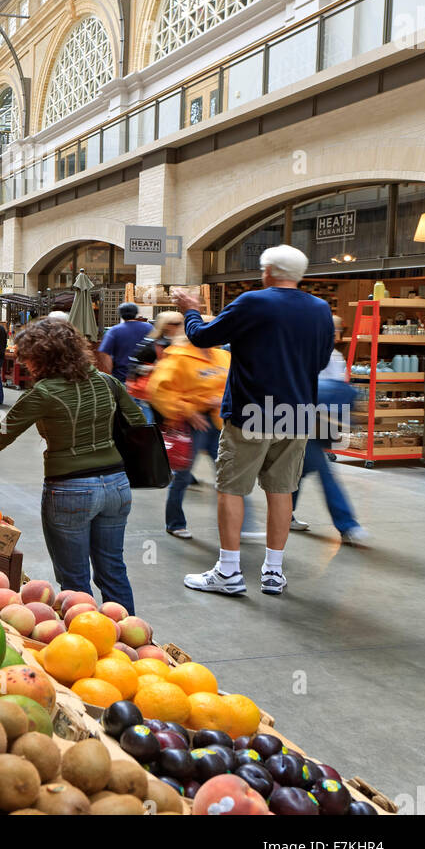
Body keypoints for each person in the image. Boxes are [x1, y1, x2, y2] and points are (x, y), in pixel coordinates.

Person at [0, 318, 144, 612]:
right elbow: (139, 425)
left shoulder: (44, 393)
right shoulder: (108, 383)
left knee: (74, 581)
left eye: (28, 356)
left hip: (69, 490)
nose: (25, 363)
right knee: (113, 571)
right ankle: (130, 641)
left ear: (41, 356)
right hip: (116, 487)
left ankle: (88, 642)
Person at [174, 244, 333, 597]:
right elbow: (320, 362)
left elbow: (201, 336)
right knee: (281, 490)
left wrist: (192, 310)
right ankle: (273, 572)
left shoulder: (253, 302)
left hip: (252, 411)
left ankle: (228, 571)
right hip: (297, 413)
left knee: (231, 488)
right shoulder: (320, 309)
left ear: (268, 271)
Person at [146, 329, 230, 539]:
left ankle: (237, 524)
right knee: (182, 477)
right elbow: (159, 390)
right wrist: (188, 410)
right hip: (190, 424)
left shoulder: (222, 356)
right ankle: (175, 523)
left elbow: (231, 384)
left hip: (217, 421)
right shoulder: (178, 357)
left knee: (229, 475)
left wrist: (220, 400)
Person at [292, 315, 368, 545]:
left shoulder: (334, 356)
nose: (336, 333)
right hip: (301, 424)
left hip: (317, 424)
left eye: (338, 329)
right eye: (333, 329)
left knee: (298, 474)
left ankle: (285, 515)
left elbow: (340, 395)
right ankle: (347, 525)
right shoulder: (305, 353)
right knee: (324, 474)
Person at [98, 303, 152, 382]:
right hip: (145, 377)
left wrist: (110, 371)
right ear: (136, 313)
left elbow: (104, 353)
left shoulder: (114, 331)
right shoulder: (149, 328)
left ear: (120, 314)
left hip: (121, 376)